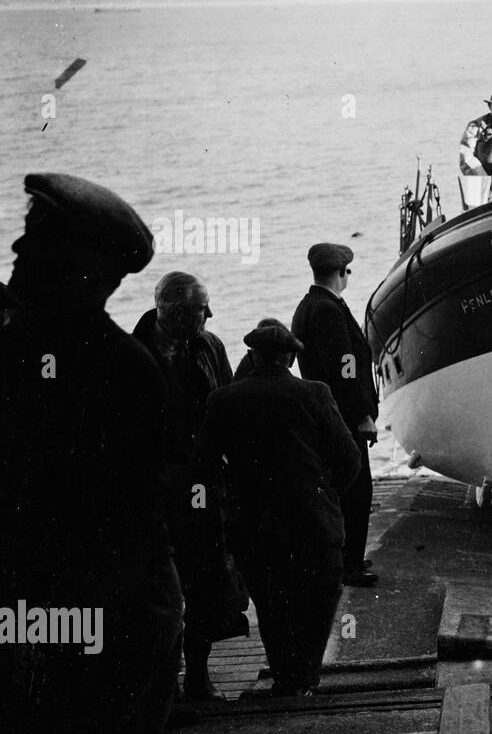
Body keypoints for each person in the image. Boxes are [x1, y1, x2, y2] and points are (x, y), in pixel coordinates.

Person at [0, 173, 182, 734]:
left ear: (84, 270)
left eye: (35, 248)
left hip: (96, 622)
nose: (17, 253)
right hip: (72, 618)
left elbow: (107, 532)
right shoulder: (105, 363)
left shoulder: (115, 372)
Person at [195, 323, 361, 695]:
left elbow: (204, 463)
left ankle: (287, 678)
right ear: (290, 357)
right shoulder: (315, 393)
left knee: (272, 606)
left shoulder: (223, 400)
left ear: (252, 356)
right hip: (313, 521)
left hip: (254, 524)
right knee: (315, 601)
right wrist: (324, 491)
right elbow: (350, 460)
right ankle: (305, 678)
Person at [132, 271, 246, 702]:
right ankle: (165, 687)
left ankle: (197, 675)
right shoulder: (133, 355)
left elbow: (229, 404)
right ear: (176, 312)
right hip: (157, 494)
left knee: (207, 580)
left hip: (206, 486)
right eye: (202, 308)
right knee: (161, 591)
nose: (211, 315)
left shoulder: (210, 346)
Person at [292, 243, 379, 588]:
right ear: (342, 273)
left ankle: (347, 557)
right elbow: (344, 368)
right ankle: (350, 565)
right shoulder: (328, 309)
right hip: (342, 416)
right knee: (358, 489)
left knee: (343, 489)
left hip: (326, 414)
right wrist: (361, 415)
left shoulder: (308, 306)